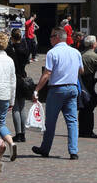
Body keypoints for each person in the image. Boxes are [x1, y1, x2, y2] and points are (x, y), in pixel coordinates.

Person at [31, 27, 83, 161]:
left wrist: (37, 89)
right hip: (72, 88)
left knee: (51, 121)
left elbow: (47, 73)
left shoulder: (52, 53)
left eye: (51, 36)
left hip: (57, 89)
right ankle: (73, 151)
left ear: (57, 37)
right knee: (72, 121)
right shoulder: (75, 52)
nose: (50, 39)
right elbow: (81, 70)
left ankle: (45, 148)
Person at [7, 28, 31, 143]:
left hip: (14, 78)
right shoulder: (25, 49)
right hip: (23, 76)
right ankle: (24, 134)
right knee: (22, 107)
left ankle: (18, 133)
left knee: (15, 108)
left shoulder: (11, 50)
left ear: (12, 37)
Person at [77, 35, 97, 139]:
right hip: (92, 83)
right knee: (90, 108)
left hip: (81, 82)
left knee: (82, 108)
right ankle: (89, 130)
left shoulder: (80, 55)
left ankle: (81, 130)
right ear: (93, 44)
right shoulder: (96, 57)